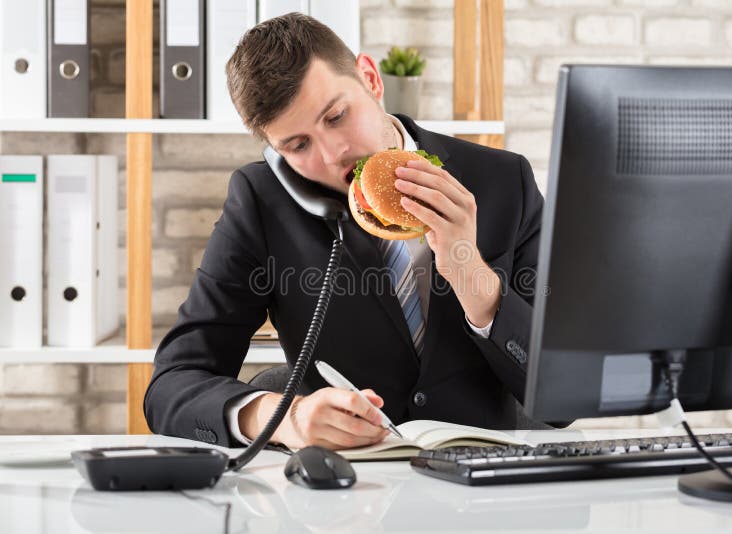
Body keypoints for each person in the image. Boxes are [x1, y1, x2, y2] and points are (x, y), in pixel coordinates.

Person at [144, 13, 544, 450]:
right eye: (298, 145)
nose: (334, 155)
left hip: (487, 476)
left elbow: (559, 400)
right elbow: (171, 386)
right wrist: (285, 418)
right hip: (346, 481)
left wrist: (472, 276)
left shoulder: (504, 180)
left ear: (370, 79)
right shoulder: (261, 200)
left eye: (336, 116)